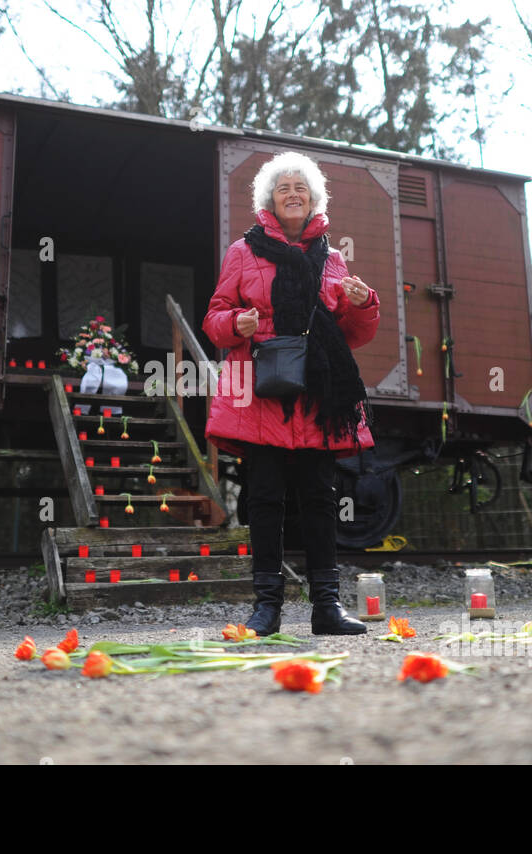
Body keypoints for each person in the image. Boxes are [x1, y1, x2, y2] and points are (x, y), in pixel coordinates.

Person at [202, 151, 380, 636]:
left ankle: (327, 606)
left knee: (321, 500)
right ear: (269, 201)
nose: (293, 193)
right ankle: (267, 609)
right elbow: (215, 319)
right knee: (264, 499)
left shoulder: (334, 259)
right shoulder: (243, 250)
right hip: (262, 389)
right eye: (283, 188)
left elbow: (352, 335)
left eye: (301, 187)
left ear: (315, 198)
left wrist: (364, 306)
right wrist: (235, 323)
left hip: (318, 396)